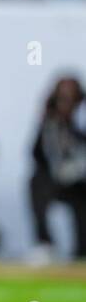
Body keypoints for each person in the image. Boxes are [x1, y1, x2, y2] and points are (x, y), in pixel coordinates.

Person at [28, 76, 86, 264]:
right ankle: (45, 244)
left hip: (78, 183)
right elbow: (37, 154)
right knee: (36, 182)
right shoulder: (49, 125)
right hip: (51, 181)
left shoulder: (79, 128)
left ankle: (82, 250)